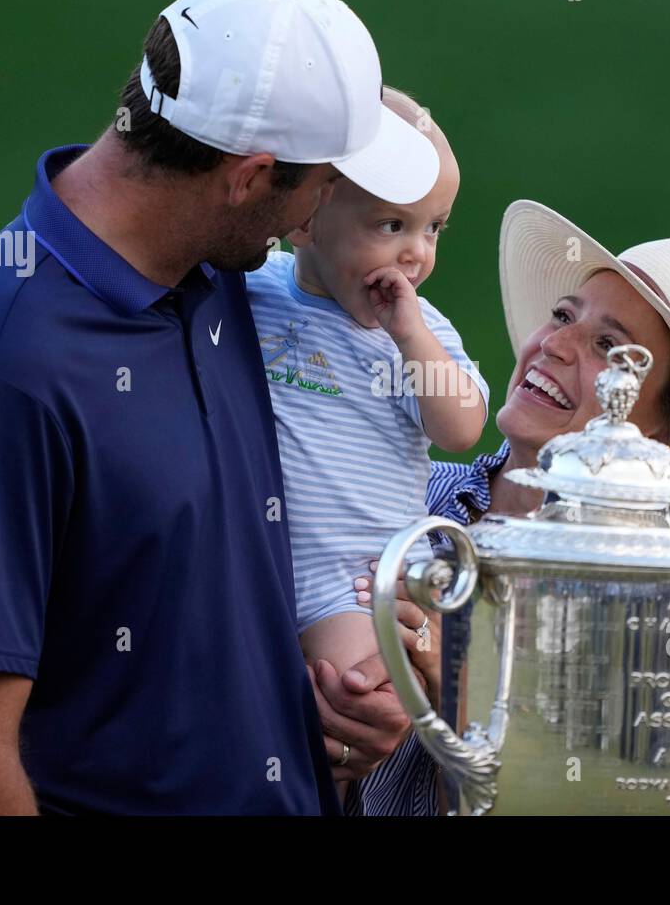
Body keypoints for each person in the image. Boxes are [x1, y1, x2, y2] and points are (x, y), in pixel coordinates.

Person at [0, 0, 438, 815]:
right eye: (326, 181)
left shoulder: (228, 277)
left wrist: (312, 707)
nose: (329, 204)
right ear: (251, 177)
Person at [352, 199, 670, 814]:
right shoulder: (400, 488)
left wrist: (457, 674)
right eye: (563, 315)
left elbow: (646, 803)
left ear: (663, 429)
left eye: (610, 347)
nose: (554, 344)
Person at [247, 86, 486, 807]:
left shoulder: (422, 334)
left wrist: (408, 334)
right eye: (391, 224)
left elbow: (462, 426)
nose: (416, 253)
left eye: (435, 229)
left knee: (353, 700)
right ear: (306, 218)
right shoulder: (252, 287)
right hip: (244, 558)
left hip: (349, 581)